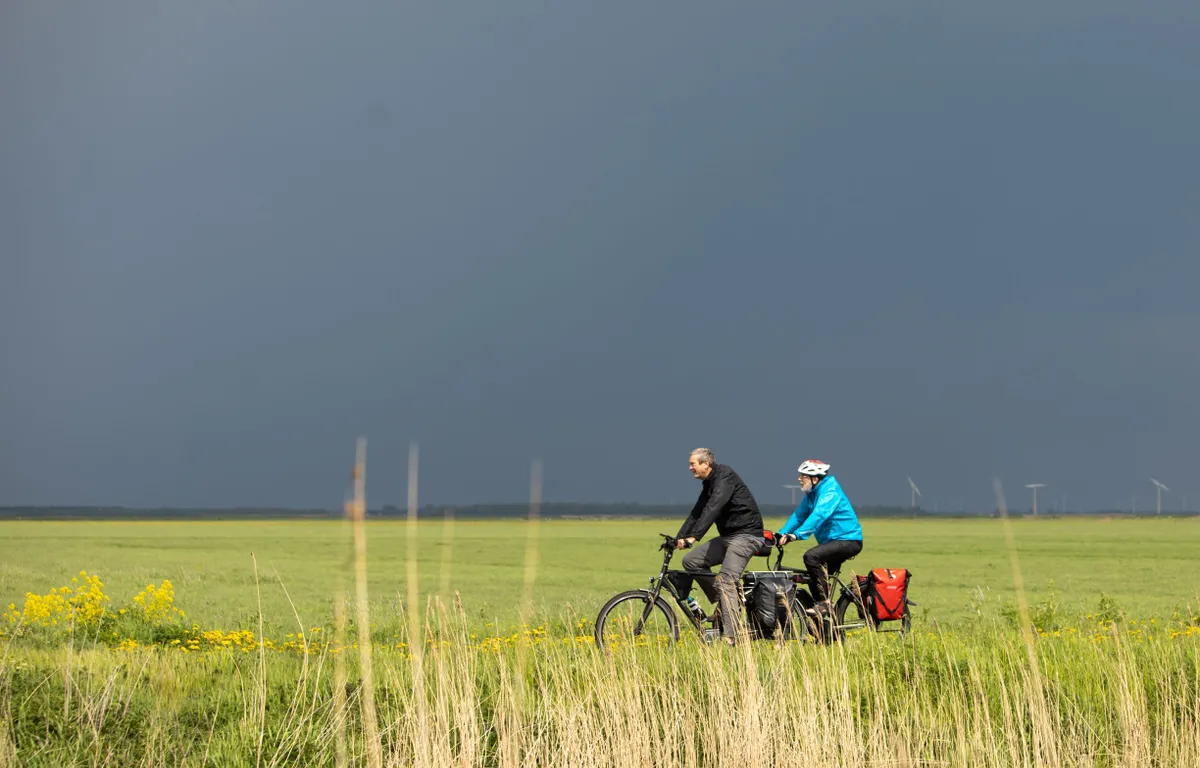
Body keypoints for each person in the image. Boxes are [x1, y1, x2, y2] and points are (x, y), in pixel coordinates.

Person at [674, 448, 765, 644]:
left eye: (693, 464)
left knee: (726, 580)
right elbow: (697, 512)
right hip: (728, 537)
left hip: (746, 536)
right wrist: (678, 538)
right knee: (691, 561)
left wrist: (694, 538)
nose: (690, 468)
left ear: (706, 463)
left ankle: (731, 636)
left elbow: (713, 508)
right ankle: (725, 602)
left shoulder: (724, 477)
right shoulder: (709, 483)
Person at [776, 459, 863, 612]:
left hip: (848, 540)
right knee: (814, 578)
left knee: (811, 557)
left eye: (803, 476)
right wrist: (780, 533)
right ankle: (827, 625)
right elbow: (799, 516)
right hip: (832, 541)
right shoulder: (812, 494)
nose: (799, 479)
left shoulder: (830, 491)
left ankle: (824, 603)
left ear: (814, 479)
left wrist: (796, 535)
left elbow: (819, 515)